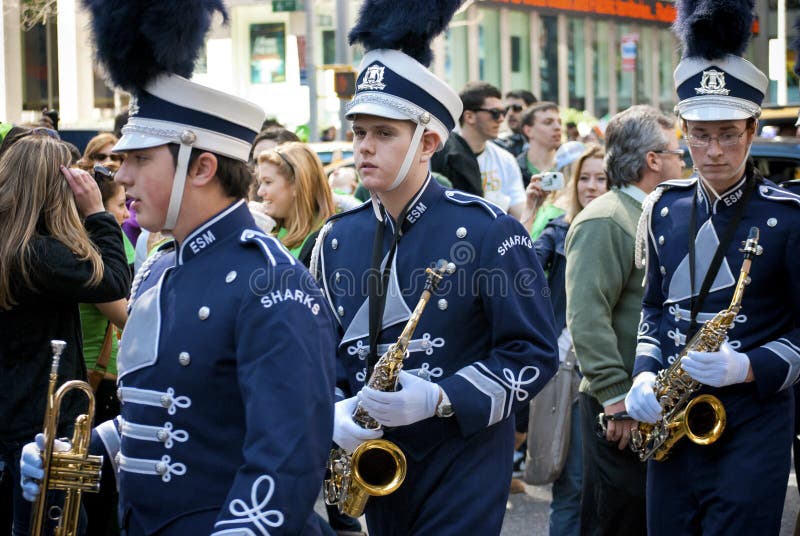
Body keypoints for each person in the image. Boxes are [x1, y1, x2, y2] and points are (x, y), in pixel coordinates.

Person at [20, 2, 337, 534]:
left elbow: (286, 460)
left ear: (203, 167)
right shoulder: (161, 268)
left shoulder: (273, 282)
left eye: (140, 160)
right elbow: (177, 412)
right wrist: (80, 446)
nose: (122, 177)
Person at [311, 1, 559, 533]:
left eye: (383, 133)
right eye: (359, 133)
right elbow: (320, 349)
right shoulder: (337, 238)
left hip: (462, 458)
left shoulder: (490, 231)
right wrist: (331, 408)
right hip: (369, 459)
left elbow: (534, 352)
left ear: (427, 141)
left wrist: (445, 397)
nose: (363, 148)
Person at [624, 2, 800, 534]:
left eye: (728, 134)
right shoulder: (665, 206)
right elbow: (654, 306)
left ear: (751, 130)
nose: (714, 150)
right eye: (700, 135)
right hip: (673, 420)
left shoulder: (787, 216)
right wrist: (645, 371)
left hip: (753, 419)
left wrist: (748, 367)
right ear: (682, 132)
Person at [0, 134, 131, 536]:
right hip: (41, 428)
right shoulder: (38, 253)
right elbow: (113, 282)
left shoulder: (13, 244)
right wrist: (96, 212)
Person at [565, 105, 684, 536]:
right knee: (615, 522)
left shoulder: (652, 214)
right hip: (617, 407)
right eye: (678, 151)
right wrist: (615, 398)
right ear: (653, 160)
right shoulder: (606, 218)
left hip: (651, 402)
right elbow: (586, 317)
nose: (684, 159)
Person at [533, 144, 608, 536]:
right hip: (570, 373)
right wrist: (531, 210)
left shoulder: (626, 225)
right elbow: (522, 269)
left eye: (601, 178)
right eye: (585, 178)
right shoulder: (559, 229)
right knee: (573, 483)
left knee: (612, 487)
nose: (592, 187)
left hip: (620, 372)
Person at [257, 142, 337, 266]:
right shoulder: (270, 229)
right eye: (260, 182)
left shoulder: (326, 241)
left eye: (267, 182)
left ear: (296, 185)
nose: (260, 192)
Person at [496, 89, 537, 157]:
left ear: (532, 110)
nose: (510, 113)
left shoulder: (545, 142)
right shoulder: (498, 144)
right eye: (506, 109)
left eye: (517, 108)